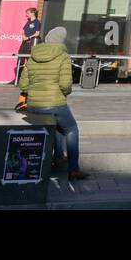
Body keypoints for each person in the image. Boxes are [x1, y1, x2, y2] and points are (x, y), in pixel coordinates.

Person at [19, 26, 89, 180]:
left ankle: (58, 157)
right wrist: (62, 94)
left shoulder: (33, 56)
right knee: (71, 129)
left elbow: (23, 85)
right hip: (54, 103)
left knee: (58, 126)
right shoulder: (63, 57)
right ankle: (73, 169)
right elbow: (65, 85)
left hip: (33, 105)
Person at [13, 6, 42, 112]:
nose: (26, 15)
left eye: (28, 13)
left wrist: (28, 38)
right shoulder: (28, 22)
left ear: (33, 13)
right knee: (20, 59)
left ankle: (27, 80)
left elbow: (37, 33)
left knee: (28, 61)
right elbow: (23, 30)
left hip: (30, 43)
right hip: (24, 43)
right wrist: (23, 36)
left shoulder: (37, 22)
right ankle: (18, 79)